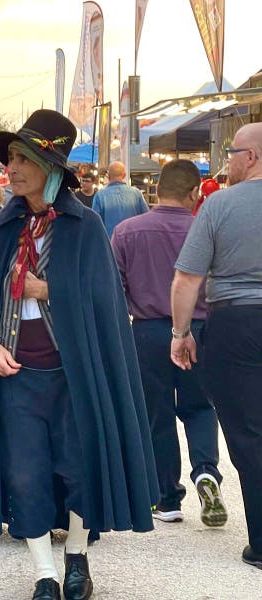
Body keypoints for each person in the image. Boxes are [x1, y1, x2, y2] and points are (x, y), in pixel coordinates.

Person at [0, 110, 158, 600]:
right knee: (26, 475)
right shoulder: (3, 228)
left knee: (79, 468)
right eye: (12, 158)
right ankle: (44, 572)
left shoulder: (84, 227)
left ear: (51, 167)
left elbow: (107, 302)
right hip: (17, 375)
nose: (13, 166)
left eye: (24, 158)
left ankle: (77, 558)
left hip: (74, 373)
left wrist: (51, 289)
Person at [112, 159, 225, 526]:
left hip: (146, 331)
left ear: (157, 189)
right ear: (195, 193)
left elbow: (115, 287)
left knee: (155, 411)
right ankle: (206, 471)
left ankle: (167, 497)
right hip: (200, 327)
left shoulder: (127, 231)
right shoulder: (206, 229)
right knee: (200, 406)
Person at [171, 123, 262, 571]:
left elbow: (188, 278)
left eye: (232, 152)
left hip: (236, 322)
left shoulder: (219, 206)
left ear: (252, 157)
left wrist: (180, 333)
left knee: (248, 431)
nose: (227, 160)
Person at [91, 161, 148, 237]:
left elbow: (94, 224)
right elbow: (146, 219)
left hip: (110, 244)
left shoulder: (100, 196)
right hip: (133, 243)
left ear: (108, 176)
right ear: (124, 175)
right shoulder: (136, 194)